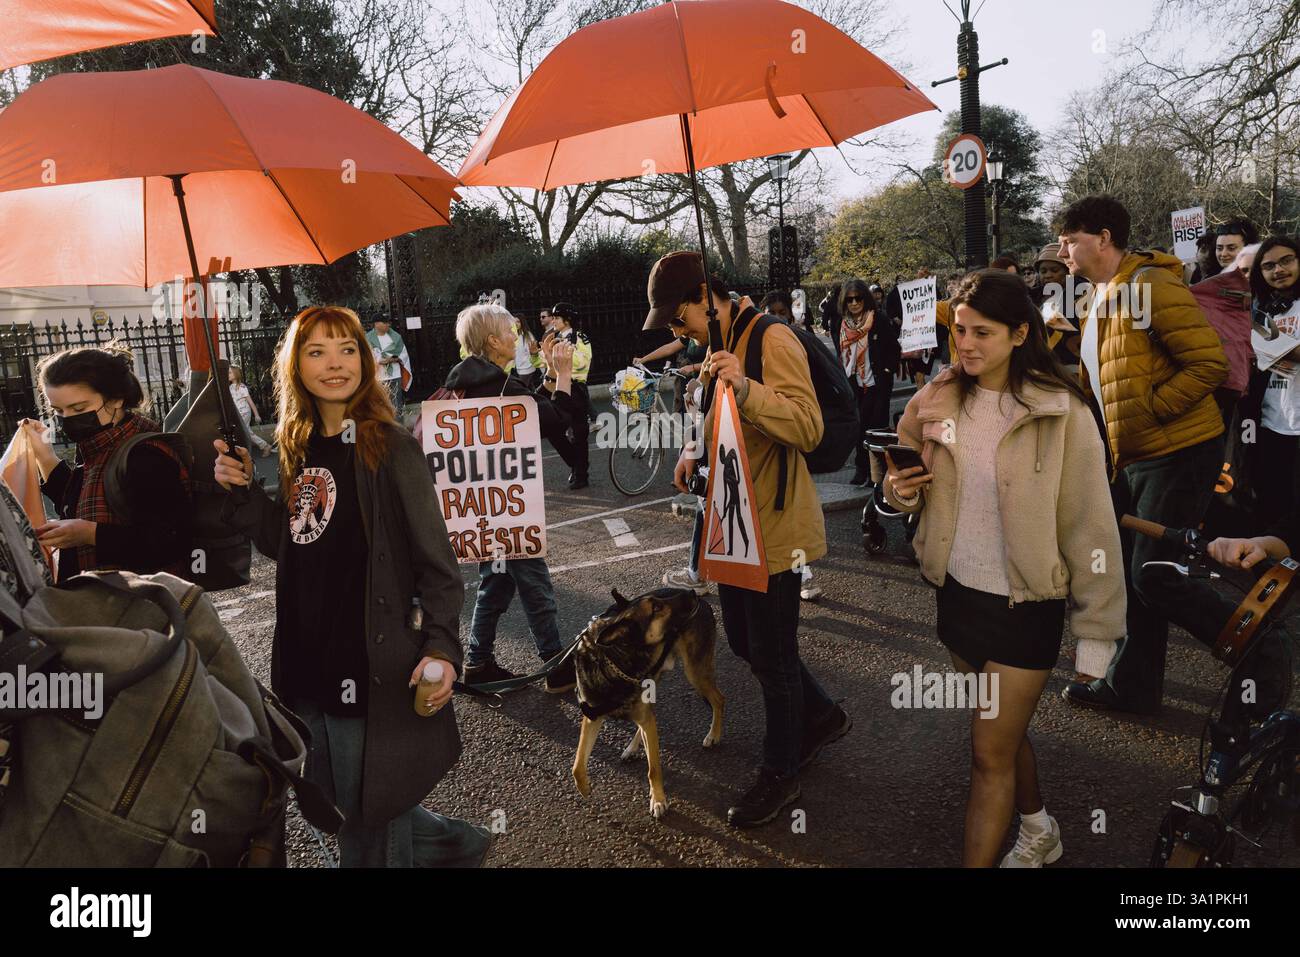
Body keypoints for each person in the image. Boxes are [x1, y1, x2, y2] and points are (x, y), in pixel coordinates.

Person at [213, 305, 490, 868]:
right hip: (303, 654)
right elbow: (291, 540)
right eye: (316, 351)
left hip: (365, 659)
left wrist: (441, 646)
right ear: (296, 366)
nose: (334, 363)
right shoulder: (297, 442)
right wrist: (243, 492)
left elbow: (438, 564)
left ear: (365, 360)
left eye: (346, 348)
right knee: (338, 796)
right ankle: (457, 845)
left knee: (362, 821)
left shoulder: (388, 445)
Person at [883, 269, 1126, 867]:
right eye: (959, 330)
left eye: (982, 333)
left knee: (988, 753)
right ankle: (1040, 829)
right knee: (1003, 733)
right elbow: (899, 486)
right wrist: (899, 489)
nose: (964, 344)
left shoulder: (1061, 409)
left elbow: (1091, 527)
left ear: (1021, 334)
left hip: (1028, 608)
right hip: (958, 597)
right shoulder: (936, 396)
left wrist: (1097, 637)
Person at [646, 250, 850, 828]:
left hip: (775, 525)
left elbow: (808, 427)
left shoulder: (772, 338)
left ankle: (779, 772)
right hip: (735, 526)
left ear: (705, 294)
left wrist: (748, 384)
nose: (675, 327)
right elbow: (723, 420)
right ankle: (823, 717)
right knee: (742, 640)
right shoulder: (719, 342)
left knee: (775, 658)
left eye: (677, 314)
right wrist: (695, 449)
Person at [1056, 195, 1229, 714]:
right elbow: (1110, 380)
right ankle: (1132, 686)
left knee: (1151, 573)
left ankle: (1257, 640)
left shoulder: (1149, 284)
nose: (1063, 250)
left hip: (1178, 450)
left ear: (1103, 237)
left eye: (1071, 239)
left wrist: (1152, 410)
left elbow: (1208, 364)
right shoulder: (1098, 295)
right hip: (1131, 456)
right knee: (1132, 574)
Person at [444, 302, 580, 693]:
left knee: (497, 581)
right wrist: (566, 375)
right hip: (510, 507)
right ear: (492, 341)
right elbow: (555, 419)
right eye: (510, 332)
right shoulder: (499, 385)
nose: (516, 337)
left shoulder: (468, 383)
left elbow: (526, 406)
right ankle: (555, 665)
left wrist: (552, 376)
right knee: (535, 582)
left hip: (483, 505)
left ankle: (478, 661)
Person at [21, 344, 191, 584]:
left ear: (117, 400)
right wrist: (44, 455)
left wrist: (89, 534)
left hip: (139, 607)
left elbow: (170, 542)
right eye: (58, 410)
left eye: (79, 408)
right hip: (100, 604)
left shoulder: (147, 457)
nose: (68, 419)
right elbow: (78, 504)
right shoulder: (98, 444)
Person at [1242, 235, 1300, 526]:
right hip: (1272, 422)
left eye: (1286, 260)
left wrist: (1265, 342)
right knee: (1274, 506)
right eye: (1268, 266)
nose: (1278, 269)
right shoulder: (1261, 311)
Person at [1192, 243, 1259, 429]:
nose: (1248, 276)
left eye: (1257, 269)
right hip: (1237, 405)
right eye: (1243, 271)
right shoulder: (1219, 307)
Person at [839, 278, 898, 485]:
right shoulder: (844, 325)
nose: (854, 303)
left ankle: (878, 473)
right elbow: (842, 354)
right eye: (849, 300)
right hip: (854, 383)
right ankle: (861, 468)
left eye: (858, 299)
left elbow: (893, 348)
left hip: (877, 382)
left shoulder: (878, 319)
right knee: (859, 428)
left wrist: (887, 371)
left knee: (876, 428)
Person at [539, 302, 593, 490]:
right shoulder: (553, 338)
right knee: (553, 428)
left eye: (556, 317)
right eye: (552, 316)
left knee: (578, 433)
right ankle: (576, 464)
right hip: (557, 386)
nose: (552, 320)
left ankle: (581, 474)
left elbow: (582, 361)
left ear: (567, 320)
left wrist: (561, 356)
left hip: (576, 388)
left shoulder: (580, 338)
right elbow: (544, 363)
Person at [1033, 244, 1083, 374]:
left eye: (1054, 270)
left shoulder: (1082, 294)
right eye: (1043, 271)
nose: (1048, 275)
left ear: (1068, 270)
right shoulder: (1038, 299)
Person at [365, 317, 411, 413]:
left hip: (395, 374)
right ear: (376, 323)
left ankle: (398, 425)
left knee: (397, 402)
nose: (388, 324)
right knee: (379, 403)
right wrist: (379, 361)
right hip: (378, 376)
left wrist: (395, 359)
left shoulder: (396, 337)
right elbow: (365, 356)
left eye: (388, 322)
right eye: (385, 322)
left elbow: (403, 353)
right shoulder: (367, 338)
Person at [228, 365, 274, 457]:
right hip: (238, 414)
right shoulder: (230, 387)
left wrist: (256, 415)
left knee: (246, 431)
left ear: (236, 374)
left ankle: (265, 446)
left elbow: (250, 402)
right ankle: (255, 448)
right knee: (244, 432)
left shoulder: (241, 387)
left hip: (244, 413)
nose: (227, 374)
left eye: (229, 372)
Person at [819, 284, 843, 354]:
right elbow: (825, 315)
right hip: (835, 329)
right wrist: (826, 328)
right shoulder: (832, 302)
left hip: (847, 328)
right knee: (839, 349)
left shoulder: (848, 301)